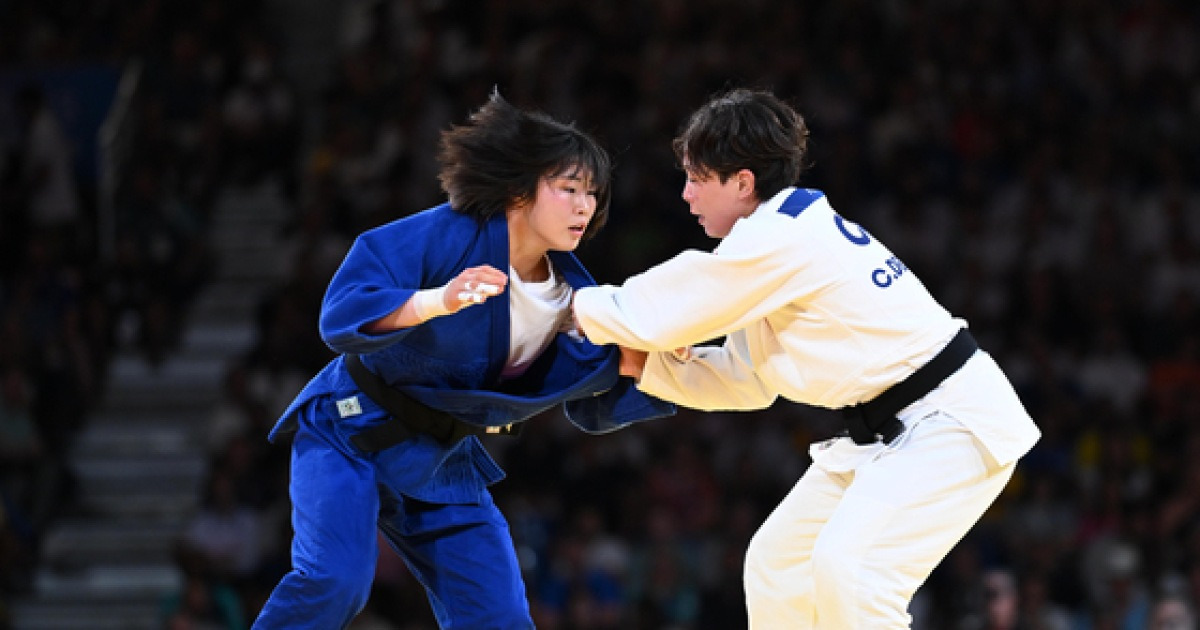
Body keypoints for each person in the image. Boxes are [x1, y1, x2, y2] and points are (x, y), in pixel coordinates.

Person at [573, 88, 1041, 628]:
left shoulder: (781, 237)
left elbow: (653, 312)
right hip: (891, 428)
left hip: (952, 419)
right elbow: (748, 381)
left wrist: (566, 307)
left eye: (697, 179)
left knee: (854, 572)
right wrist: (644, 366)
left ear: (742, 182)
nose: (686, 196)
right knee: (779, 564)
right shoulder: (773, 243)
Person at [253, 90, 673, 630]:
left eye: (592, 193)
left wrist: (663, 360)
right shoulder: (449, 232)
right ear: (520, 191)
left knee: (499, 616)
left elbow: (595, 390)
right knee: (335, 582)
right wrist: (438, 300)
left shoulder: (577, 297)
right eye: (568, 189)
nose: (584, 206)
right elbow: (344, 309)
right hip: (348, 429)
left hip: (441, 458)